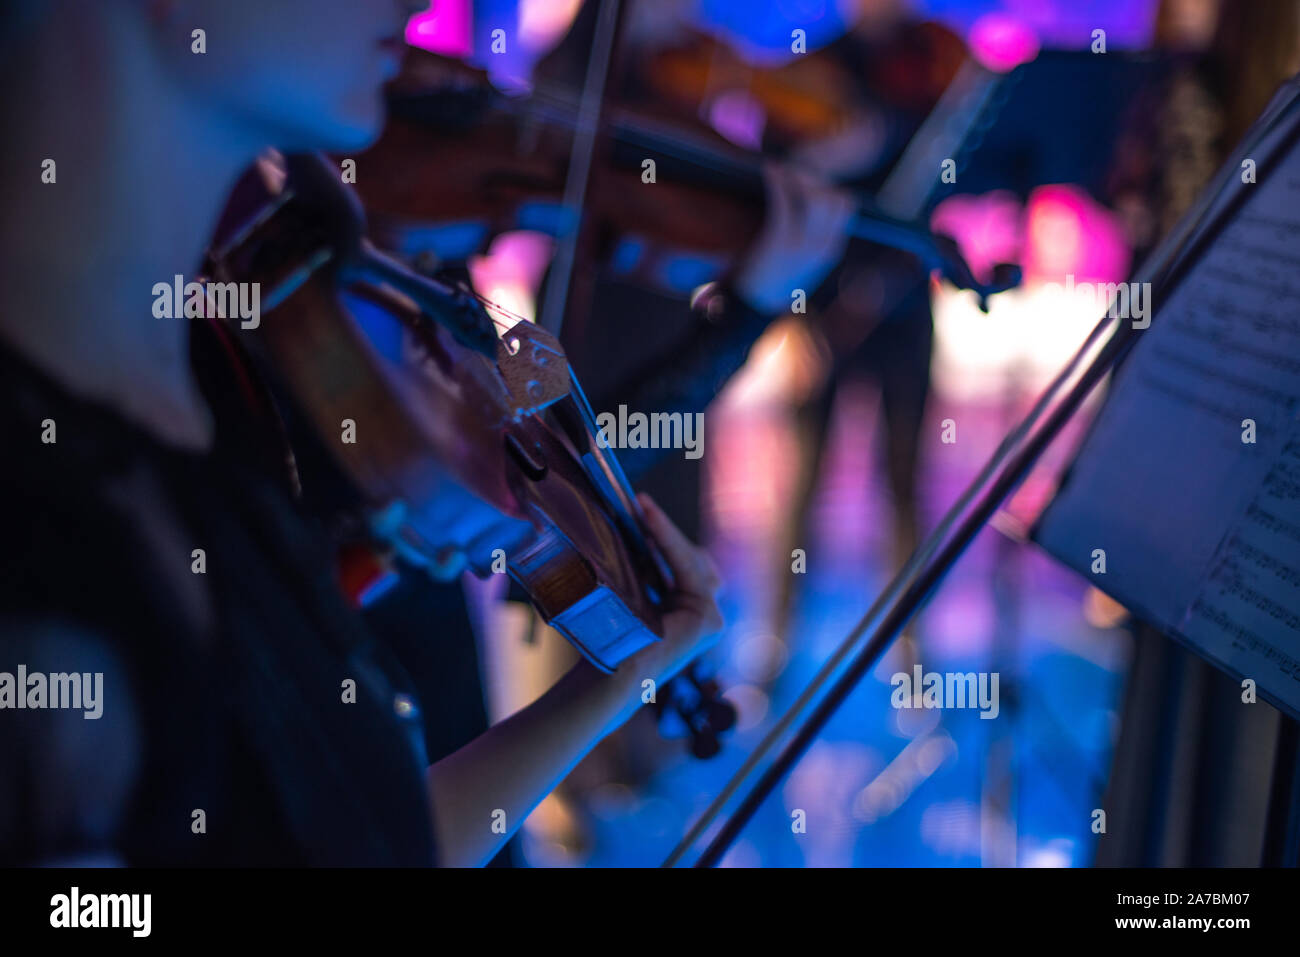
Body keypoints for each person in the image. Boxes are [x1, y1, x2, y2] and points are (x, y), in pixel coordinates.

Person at [0, 0, 848, 866]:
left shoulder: (231, 361)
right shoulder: (55, 552)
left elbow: (360, 844)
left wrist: (623, 676)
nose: (409, 9)